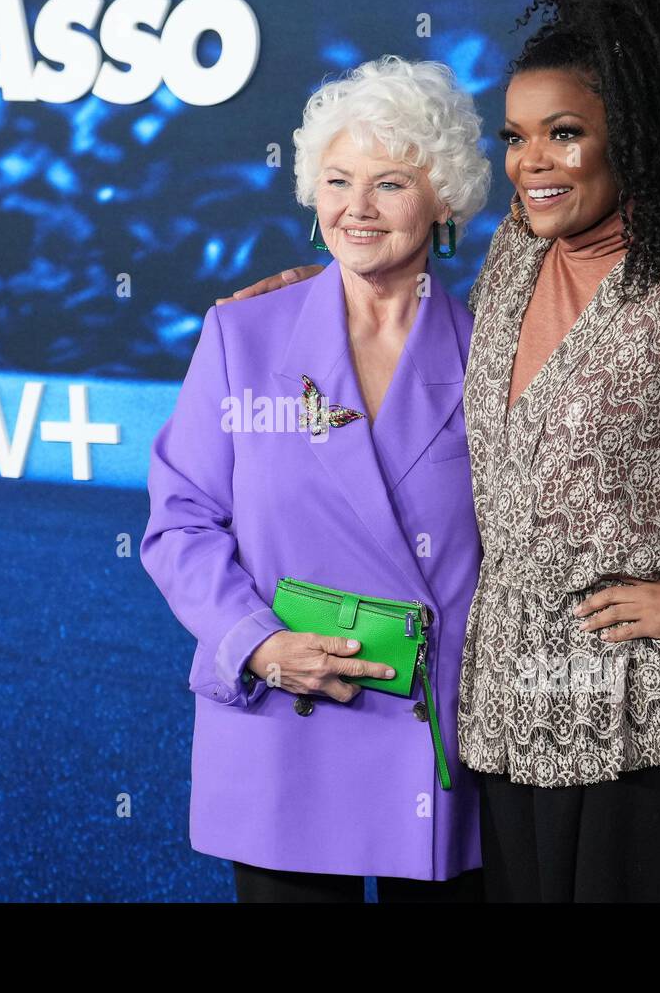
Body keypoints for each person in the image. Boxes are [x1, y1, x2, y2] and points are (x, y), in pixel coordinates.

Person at [222, 0, 660, 902]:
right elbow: (422, 304)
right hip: (514, 728)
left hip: (656, 729)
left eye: (565, 133)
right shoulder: (520, 252)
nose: (535, 162)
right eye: (518, 137)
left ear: (627, 138)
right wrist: (323, 294)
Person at [140, 56, 492, 903]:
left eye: (390, 183)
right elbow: (181, 522)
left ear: (443, 200)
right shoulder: (241, 336)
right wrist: (257, 644)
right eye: (338, 181)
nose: (357, 208)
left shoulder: (494, 355)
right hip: (283, 721)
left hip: (436, 733)